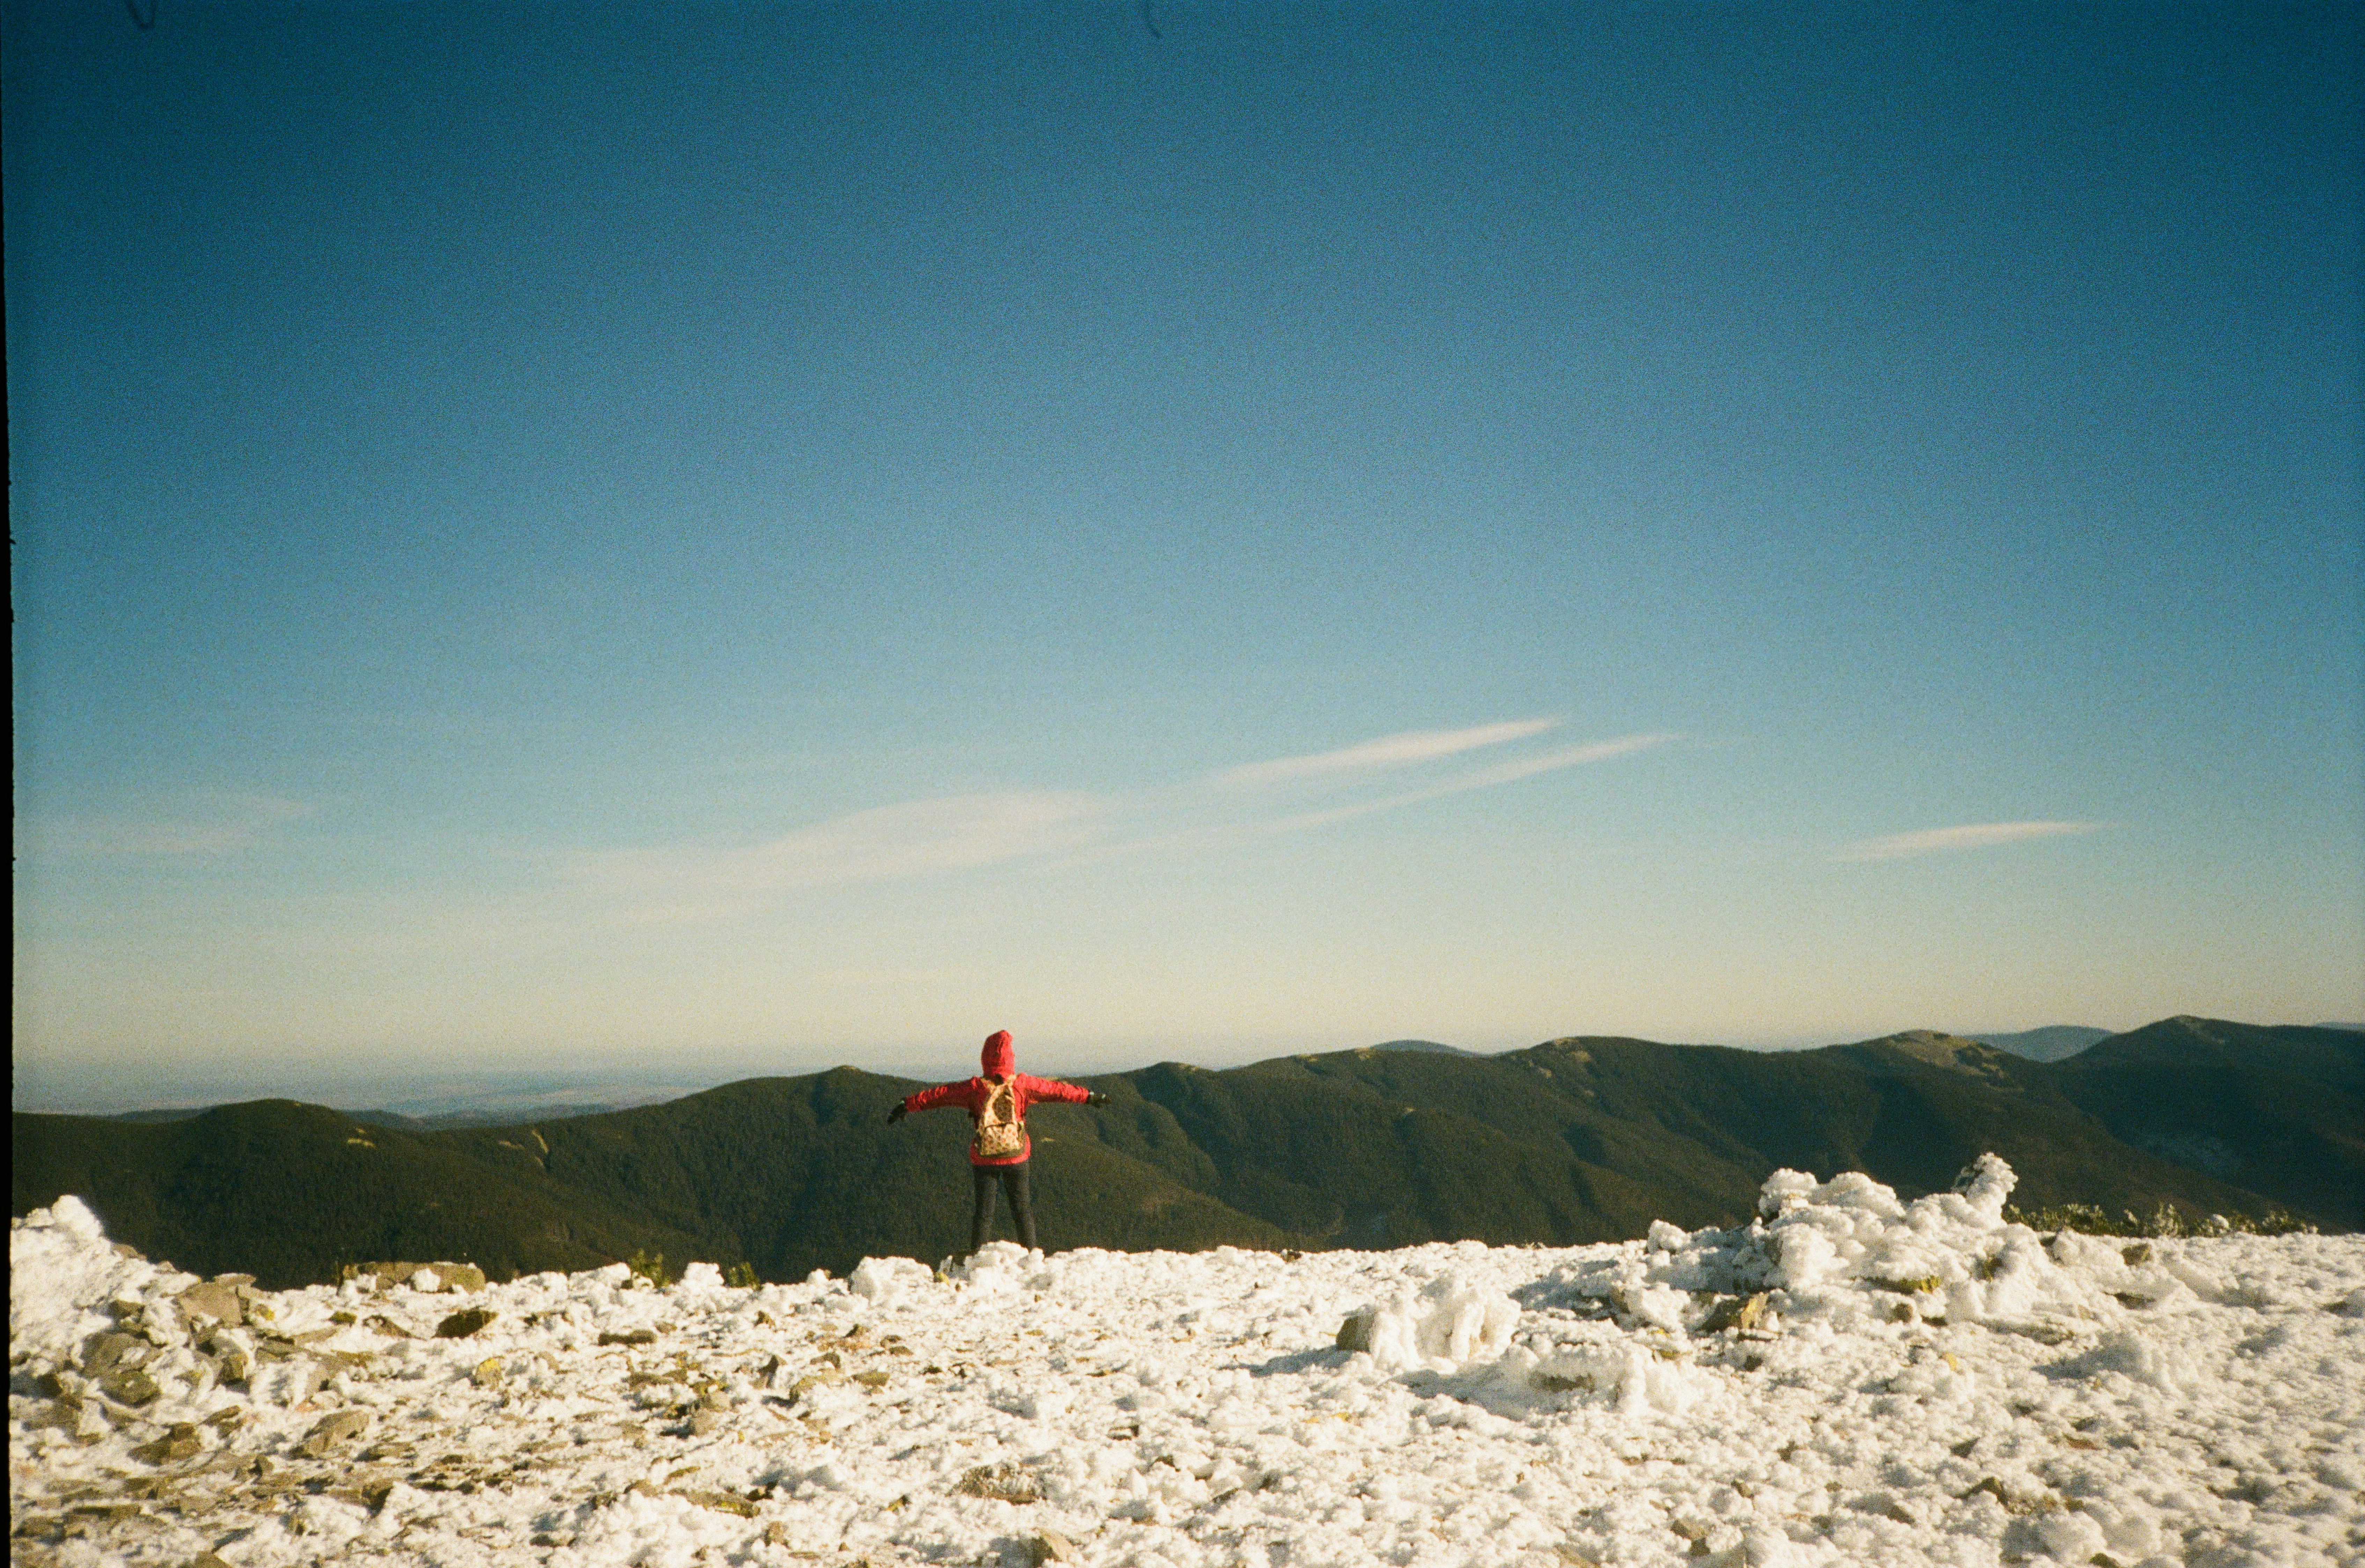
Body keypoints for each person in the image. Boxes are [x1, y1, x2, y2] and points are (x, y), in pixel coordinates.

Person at [887, 1029, 1108, 1257]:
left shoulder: (974, 1088)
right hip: (1017, 1156)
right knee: (1022, 1210)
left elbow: (939, 1095)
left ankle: (977, 1257)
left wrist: (907, 1105)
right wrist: (1089, 1096)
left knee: (984, 1212)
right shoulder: (1023, 1085)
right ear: (1010, 1059)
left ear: (985, 1060)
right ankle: (1032, 1256)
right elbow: (1058, 1091)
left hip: (985, 1158)